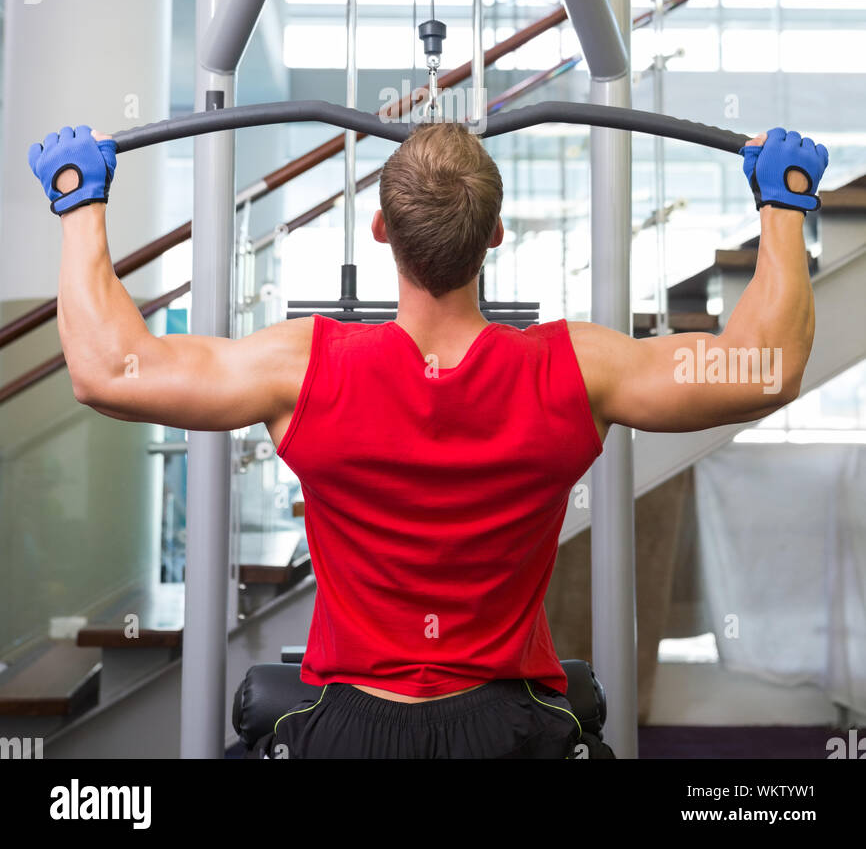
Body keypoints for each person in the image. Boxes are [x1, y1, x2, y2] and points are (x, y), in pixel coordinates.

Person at [28, 119, 828, 759]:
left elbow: (107, 371)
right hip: (506, 731)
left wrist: (79, 208)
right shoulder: (574, 368)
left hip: (349, 733)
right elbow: (762, 370)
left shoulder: (303, 365)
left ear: (380, 230)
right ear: (496, 235)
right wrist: (783, 209)